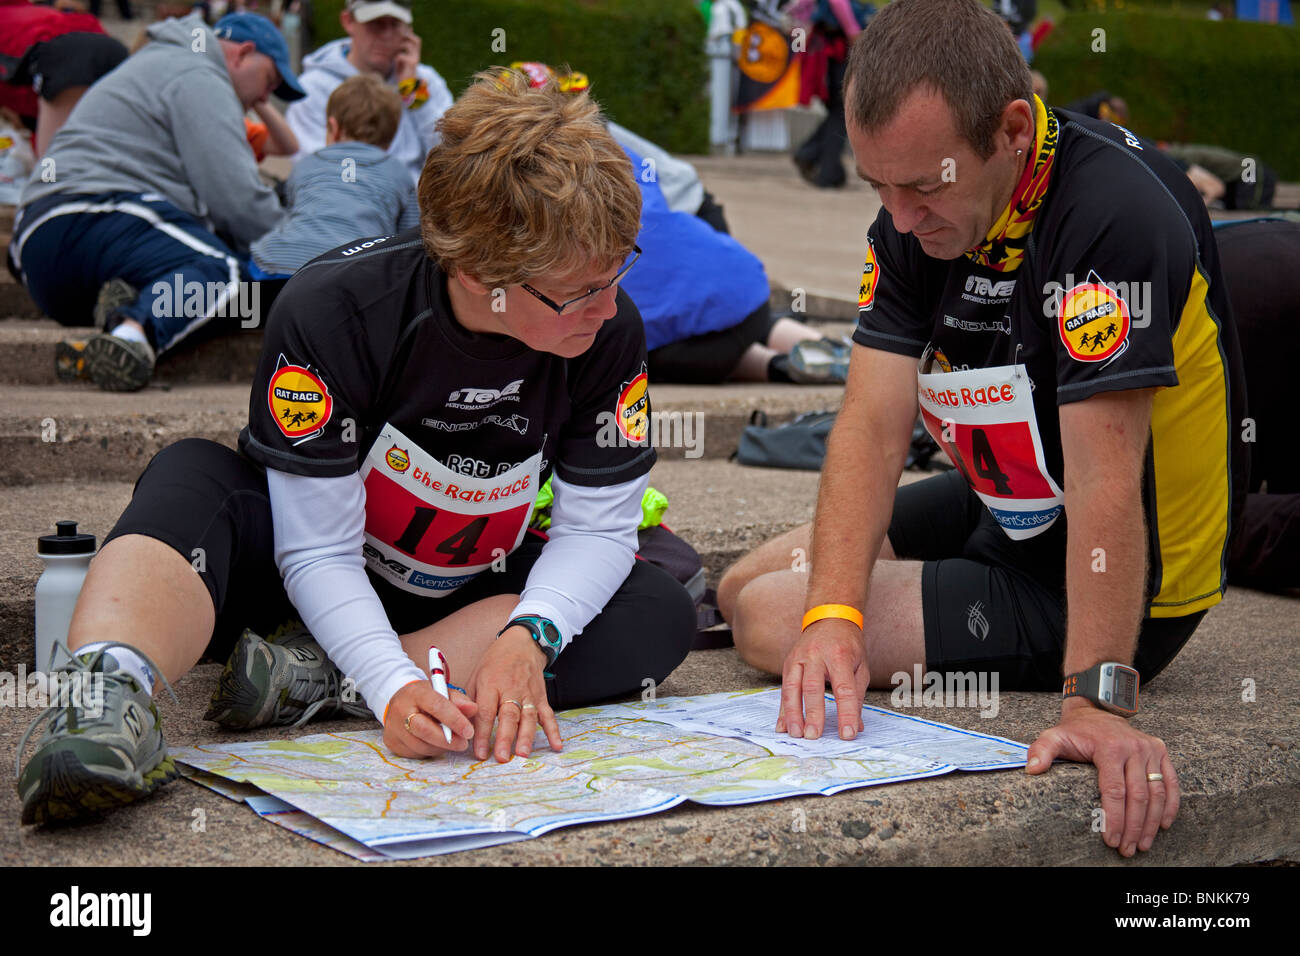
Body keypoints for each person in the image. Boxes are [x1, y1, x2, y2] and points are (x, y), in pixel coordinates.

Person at [15, 68, 697, 826]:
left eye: (618, 272)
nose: (610, 308)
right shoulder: (336, 307)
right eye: (579, 291)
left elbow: (598, 529)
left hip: (470, 588)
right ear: (478, 273)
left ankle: (316, 678)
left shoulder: (608, 326)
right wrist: (390, 680)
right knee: (192, 477)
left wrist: (530, 636)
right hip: (308, 571)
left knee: (657, 609)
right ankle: (104, 699)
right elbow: (313, 552)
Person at [717, 0, 1245, 858]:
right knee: (747, 584)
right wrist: (841, 612)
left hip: (1114, 583)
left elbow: (1108, 486)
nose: (898, 218)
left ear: (1008, 131)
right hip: (1010, 501)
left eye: (925, 186)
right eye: (877, 185)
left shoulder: (1110, 212)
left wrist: (1095, 702)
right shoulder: (910, 207)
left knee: (772, 619)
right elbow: (871, 421)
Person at [7, 11, 303, 391]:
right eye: (270, 80)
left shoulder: (161, 62)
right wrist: (306, 256)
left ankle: (122, 307)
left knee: (244, 295)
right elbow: (238, 202)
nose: (265, 97)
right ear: (243, 54)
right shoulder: (198, 75)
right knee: (218, 270)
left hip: (49, 257)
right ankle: (134, 333)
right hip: (86, 212)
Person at [250, 73, 417, 278]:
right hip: (350, 270)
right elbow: (410, 241)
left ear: (334, 127)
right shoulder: (399, 174)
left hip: (277, 260)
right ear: (391, 139)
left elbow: (293, 212)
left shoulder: (308, 164)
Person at [286, 0, 452, 186]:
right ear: (348, 21)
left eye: (395, 24)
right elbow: (313, 170)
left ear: (408, 32)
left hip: (418, 209)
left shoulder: (424, 81)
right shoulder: (312, 88)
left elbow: (451, 157)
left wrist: (413, 92)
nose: (386, 35)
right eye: (376, 23)